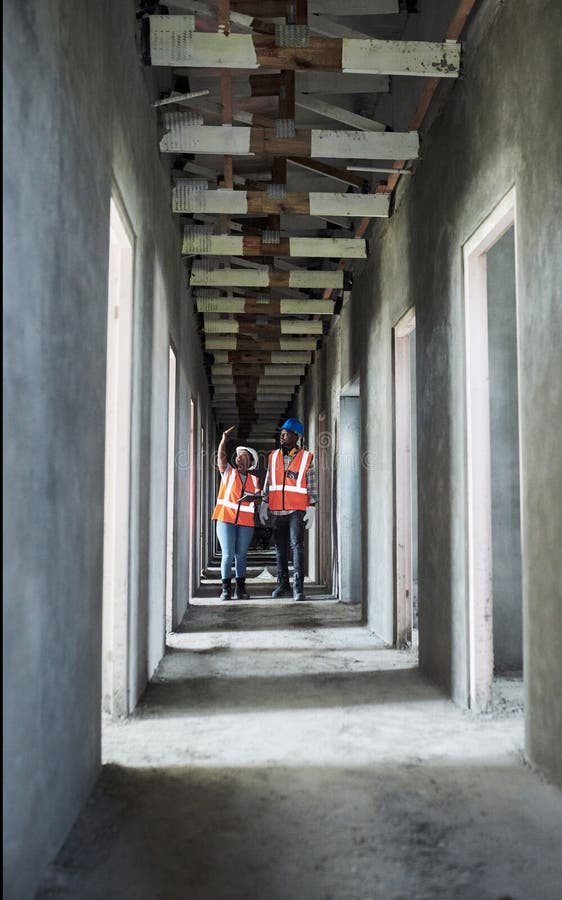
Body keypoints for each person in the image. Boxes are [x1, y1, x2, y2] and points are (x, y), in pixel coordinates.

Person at [259, 418, 317, 601]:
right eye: (281, 433)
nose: (282, 436)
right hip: (277, 511)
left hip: (296, 510)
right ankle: (282, 584)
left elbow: (312, 484)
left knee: (297, 546)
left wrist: (312, 506)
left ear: (296, 436)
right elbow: (269, 481)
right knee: (280, 548)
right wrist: (264, 502)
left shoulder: (306, 458)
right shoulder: (273, 456)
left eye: (286, 433)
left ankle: (298, 588)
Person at [212, 426, 260, 601]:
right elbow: (221, 458)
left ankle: (240, 589)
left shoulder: (255, 480)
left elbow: (257, 499)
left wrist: (257, 500)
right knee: (227, 554)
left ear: (250, 462)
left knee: (241, 556)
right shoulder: (228, 473)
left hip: (246, 523)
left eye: (244, 457)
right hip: (225, 519)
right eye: (239, 456)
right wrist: (223, 441)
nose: (239, 459)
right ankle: (225, 590)